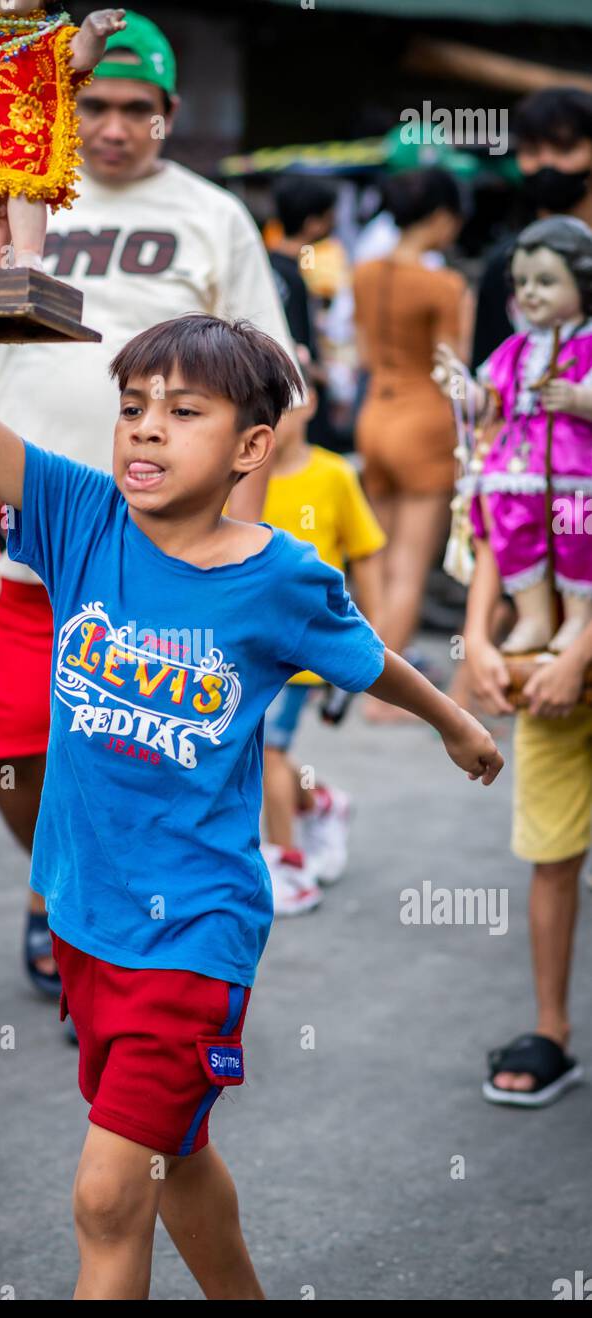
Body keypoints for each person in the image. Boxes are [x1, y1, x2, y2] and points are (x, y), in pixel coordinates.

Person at [0, 293, 503, 1298]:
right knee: (174, 1152)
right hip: (82, 912)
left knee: (107, 1195)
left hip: (193, 933)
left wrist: (451, 720)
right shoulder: (78, 513)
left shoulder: (281, 579)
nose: (147, 424)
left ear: (252, 448)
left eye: (183, 410)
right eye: (133, 404)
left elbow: (365, 658)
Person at [0, 12, 298, 997]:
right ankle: (52, 885)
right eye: (91, 103)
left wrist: (239, 542)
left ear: (168, 113)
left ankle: (127, 935)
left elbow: (267, 393)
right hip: (16, 547)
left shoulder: (212, 215)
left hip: (161, 555)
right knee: (13, 749)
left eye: (135, 109)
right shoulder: (14, 198)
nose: (109, 125)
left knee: (148, 757)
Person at [465, 509, 591, 1108]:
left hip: (563, 662)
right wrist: (481, 639)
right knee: (551, 853)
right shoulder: (519, 422)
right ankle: (551, 1030)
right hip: (547, 675)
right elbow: (496, 525)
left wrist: (579, 654)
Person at [435, 216, 592, 656]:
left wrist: (580, 398)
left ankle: (579, 618)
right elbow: (488, 403)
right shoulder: (515, 348)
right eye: (522, 282)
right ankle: (534, 618)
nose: (530, 293)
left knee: (577, 538)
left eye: (546, 281)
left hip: (575, 471)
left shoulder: (588, 345)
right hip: (514, 472)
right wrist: (460, 387)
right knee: (516, 537)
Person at [260, 368, 385, 913]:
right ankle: (322, 803)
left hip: (308, 652)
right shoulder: (241, 474)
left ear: (310, 405)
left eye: (285, 404)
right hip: (250, 646)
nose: (274, 416)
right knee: (260, 751)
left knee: (264, 750)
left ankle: (288, 866)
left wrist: (372, 648)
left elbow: (366, 554)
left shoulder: (335, 475)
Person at [353, 168, 472, 719]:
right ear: (443, 218)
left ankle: (354, 674)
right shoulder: (443, 285)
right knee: (408, 565)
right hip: (423, 423)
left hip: (374, 412)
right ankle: (384, 701)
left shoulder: (365, 272)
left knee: (373, 557)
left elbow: (357, 349)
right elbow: (452, 369)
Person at [472, 87, 592, 369]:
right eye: (532, 151)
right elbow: (486, 371)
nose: (546, 163)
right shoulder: (505, 264)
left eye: (564, 148)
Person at [268, 173, 340, 451]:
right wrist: (322, 375)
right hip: (299, 407)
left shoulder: (270, 266)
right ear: (313, 223)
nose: (333, 224)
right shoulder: (292, 278)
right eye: (330, 216)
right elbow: (295, 348)